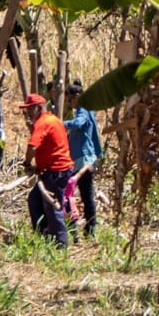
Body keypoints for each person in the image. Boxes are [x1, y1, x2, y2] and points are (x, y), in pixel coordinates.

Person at [21, 93, 73, 248]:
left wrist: (27, 163)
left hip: (55, 172)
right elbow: (53, 147)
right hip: (56, 170)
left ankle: (60, 245)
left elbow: (32, 146)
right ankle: (45, 235)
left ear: (38, 108)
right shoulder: (55, 120)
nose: (28, 113)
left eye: (30, 109)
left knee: (53, 207)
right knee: (35, 200)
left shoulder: (42, 123)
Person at [63, 81, 104, 237]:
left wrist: (61, 124)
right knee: (83, 195)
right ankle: (88, 229)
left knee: (84, 196)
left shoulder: (83, 110)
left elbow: (79, 123)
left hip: (83, 159)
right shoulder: (86, 110)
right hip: (81, 158)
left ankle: (90, 229)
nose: (69, 103)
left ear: (78, 97)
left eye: (70, 99)